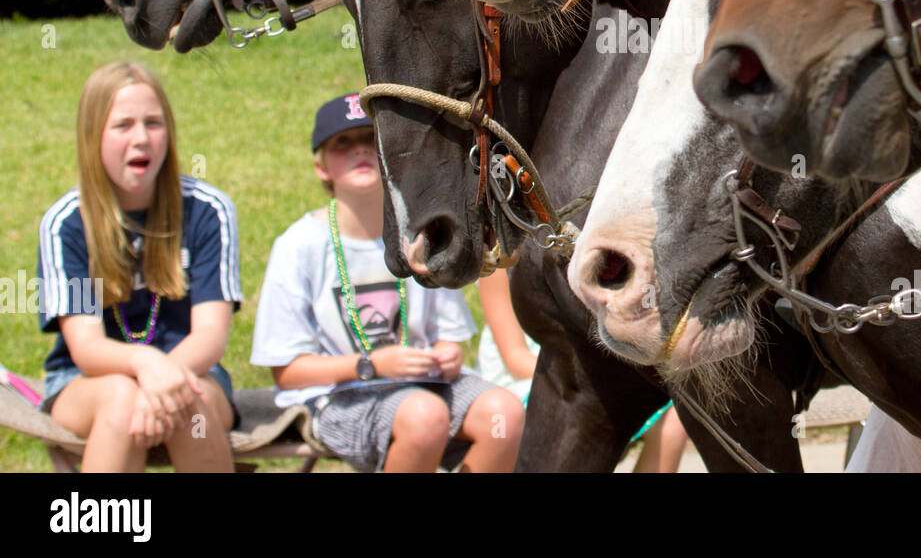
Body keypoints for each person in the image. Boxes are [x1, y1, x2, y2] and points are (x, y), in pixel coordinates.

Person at [251, 94, 524, 472]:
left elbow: (448, 336)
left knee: (505, 414)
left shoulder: (421, 233)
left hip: (427, 387)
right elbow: (286, 370)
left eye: (369, 140)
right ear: (321, 166)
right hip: (339, 395)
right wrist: (371, 365)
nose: (360, 152)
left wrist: (448, 355)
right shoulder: (300, 246)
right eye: (342, 144)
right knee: (424, 417)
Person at [36, 62, 241, 472]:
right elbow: (87, 350)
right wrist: (147, 366)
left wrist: (163, 381)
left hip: (193, 372)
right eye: (123, 125)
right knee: (121, 400)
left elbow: (211, 336)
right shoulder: (66, 224)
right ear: (92, 134)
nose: (142, 139)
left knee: (190, 405)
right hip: (85, 383)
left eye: (153, 123)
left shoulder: (207, 210)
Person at [476, 268, 689, 472]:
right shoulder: (499, 267)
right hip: (525, 382)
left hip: (583, 378)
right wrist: (593, 381)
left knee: (672, 419)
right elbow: (514, 359)